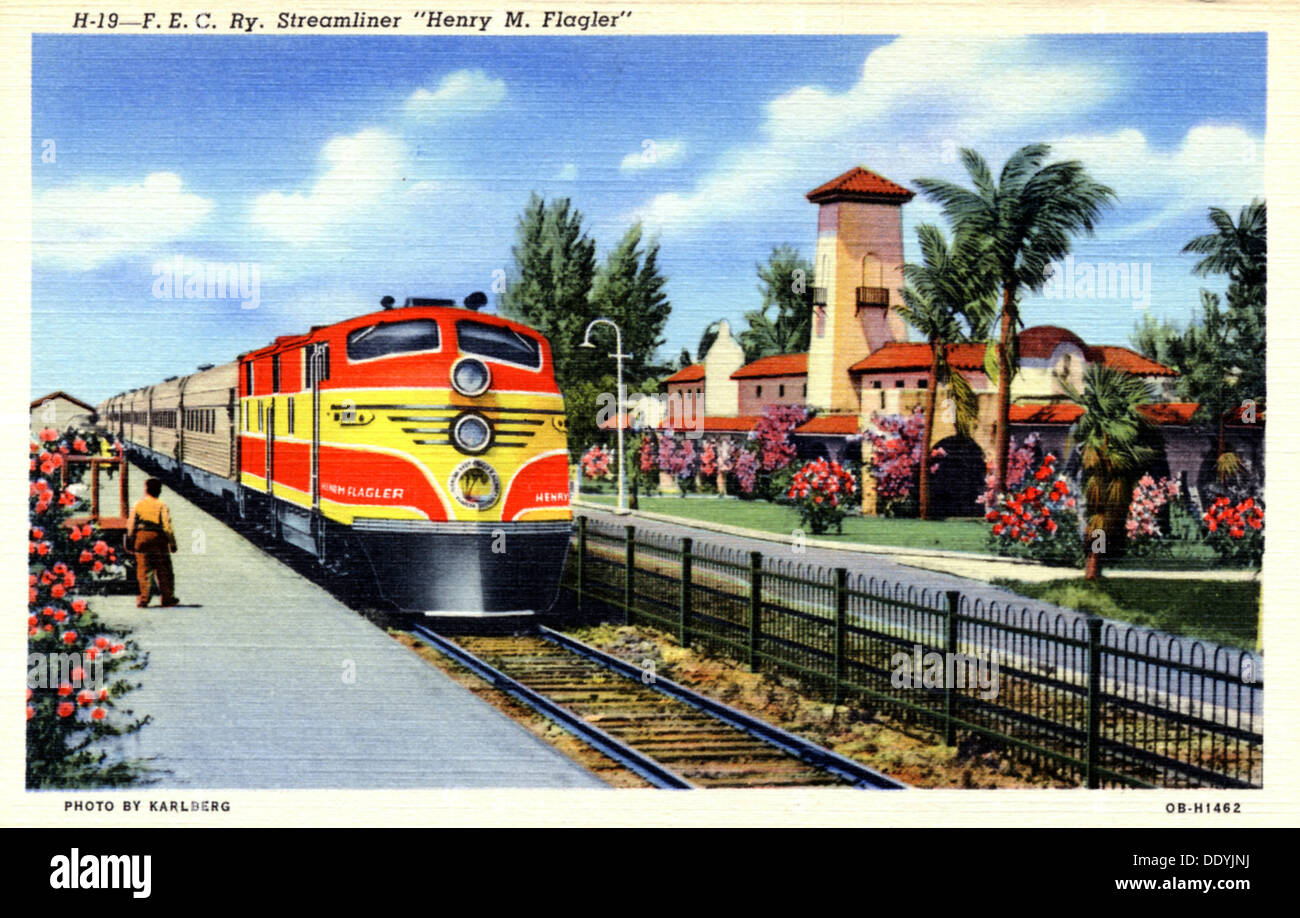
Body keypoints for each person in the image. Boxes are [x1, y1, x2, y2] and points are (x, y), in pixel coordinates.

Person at [126, 477, 179, 608]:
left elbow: (131, 525)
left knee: (143, 570)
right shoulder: (161, 505)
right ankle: (167, 598)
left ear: (146, 490)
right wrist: (172, 543)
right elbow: (167, 527)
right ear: (159, 491)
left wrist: (130, 540)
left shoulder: (138, 505)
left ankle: (144, 599)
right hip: (158, 539)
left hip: (142, 538)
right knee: (164, 570)